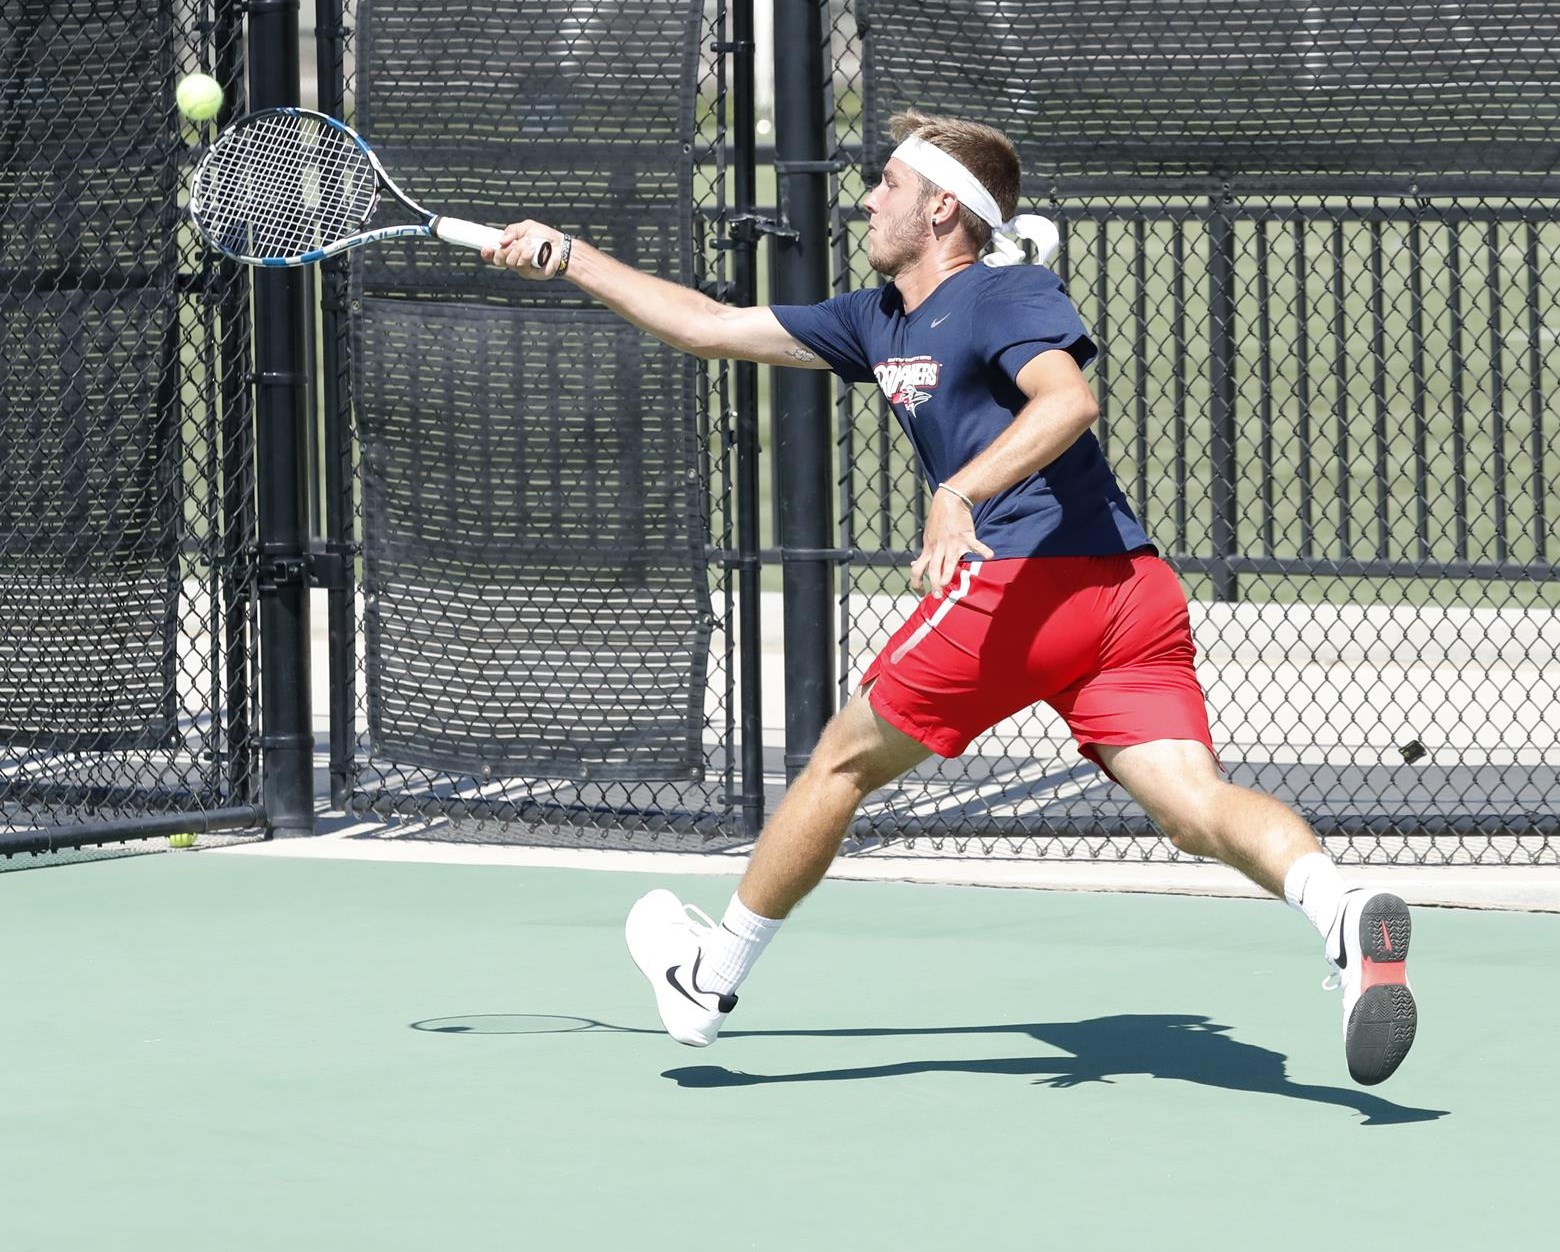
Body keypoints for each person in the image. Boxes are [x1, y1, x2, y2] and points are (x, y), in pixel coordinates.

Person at [484, 110, 1418, 1085]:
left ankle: (705, 979)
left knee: (839, 764)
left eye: (885, 184)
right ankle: (1338, 910)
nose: (865, 198)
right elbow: (711, 326)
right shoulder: (874, 318)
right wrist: (574, 259)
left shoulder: (999, 293)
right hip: (1126, 595)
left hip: (1027, 581)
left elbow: (1068, 401)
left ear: (940, 209)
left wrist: (958, 491)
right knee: (1191, 807)